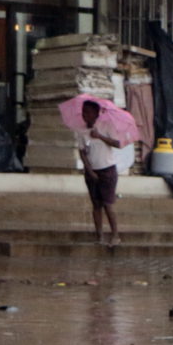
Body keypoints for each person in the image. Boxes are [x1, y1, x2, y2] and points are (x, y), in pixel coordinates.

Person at [75, 100, 123, 248]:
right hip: (91, 171)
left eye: (88, 113)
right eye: (83, 113)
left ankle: (115, 235)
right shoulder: (81, 131)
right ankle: (99, 235)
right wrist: (89, 170)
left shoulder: (106, 126)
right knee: (96, 205)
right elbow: (82, 152)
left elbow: (118, 143)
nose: (85, 116)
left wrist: (100, 136)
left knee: (108, 204)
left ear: (96, 114)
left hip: (107, 169)